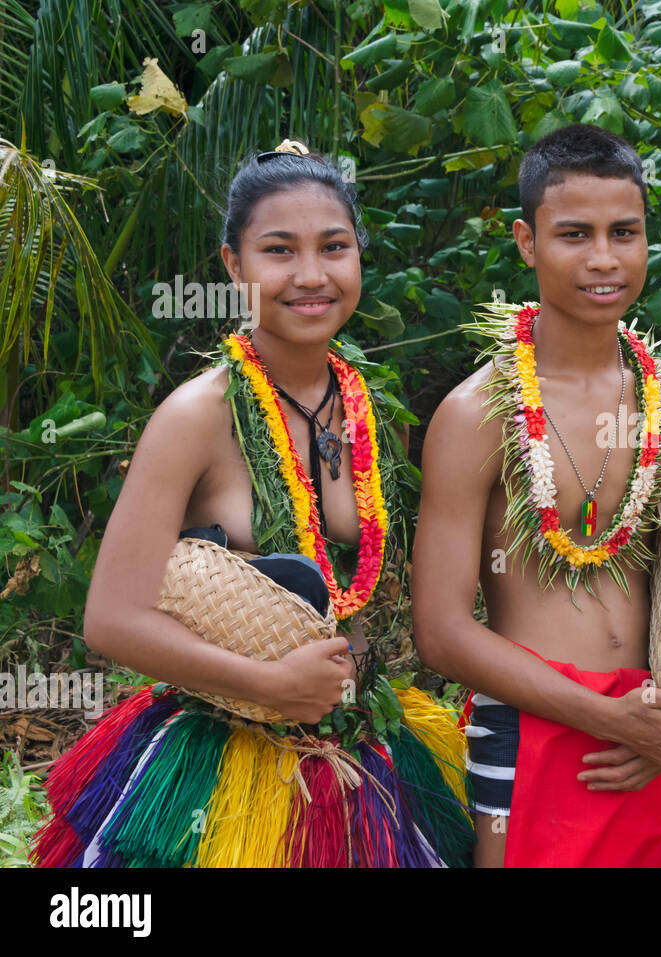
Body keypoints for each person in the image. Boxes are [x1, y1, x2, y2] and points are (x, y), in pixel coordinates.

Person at [32, 140, 474, 868]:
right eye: (278, 250)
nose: (310, 275)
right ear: (234, 266)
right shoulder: (195, 416)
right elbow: (110, 617)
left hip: (363, 753)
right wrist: (269, 683)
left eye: (334, 246)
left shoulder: (364, 408)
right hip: (224, 769)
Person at [412, 123, 661, 867]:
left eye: (625, 232)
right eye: (574, 234)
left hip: (656, 720)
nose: (603, 258)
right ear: (526, 242)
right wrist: (612, 719)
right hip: (532, 724)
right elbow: (439, 627)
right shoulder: (477, 412)